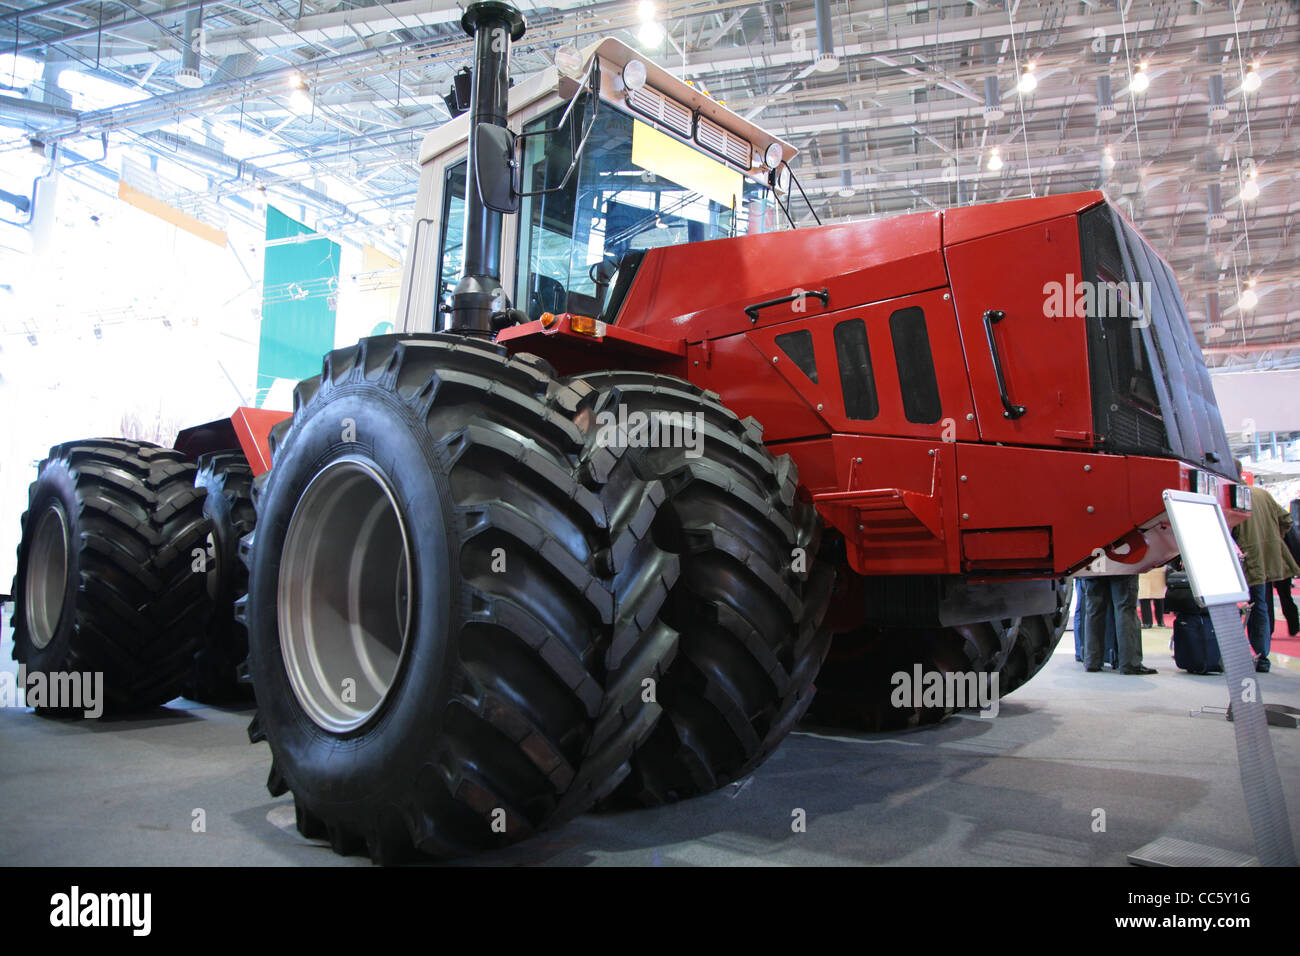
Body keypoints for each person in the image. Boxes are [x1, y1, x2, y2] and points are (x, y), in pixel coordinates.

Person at [1230, 483, 1300, 672]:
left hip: (1242, 561)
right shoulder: (1262, 494)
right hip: (1265, 558)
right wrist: (1271, 540)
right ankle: (1262, 657)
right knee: (1261, 605)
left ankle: (1239, 655)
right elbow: (1286, 520)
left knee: (1236, 607)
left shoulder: (1230, 493)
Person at [1083, 574, 1153, 674]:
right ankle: (1130, 663)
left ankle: (1092, 661)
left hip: (1093, 566)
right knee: (1125, 608)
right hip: (1121, 565)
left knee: (1093, 611)